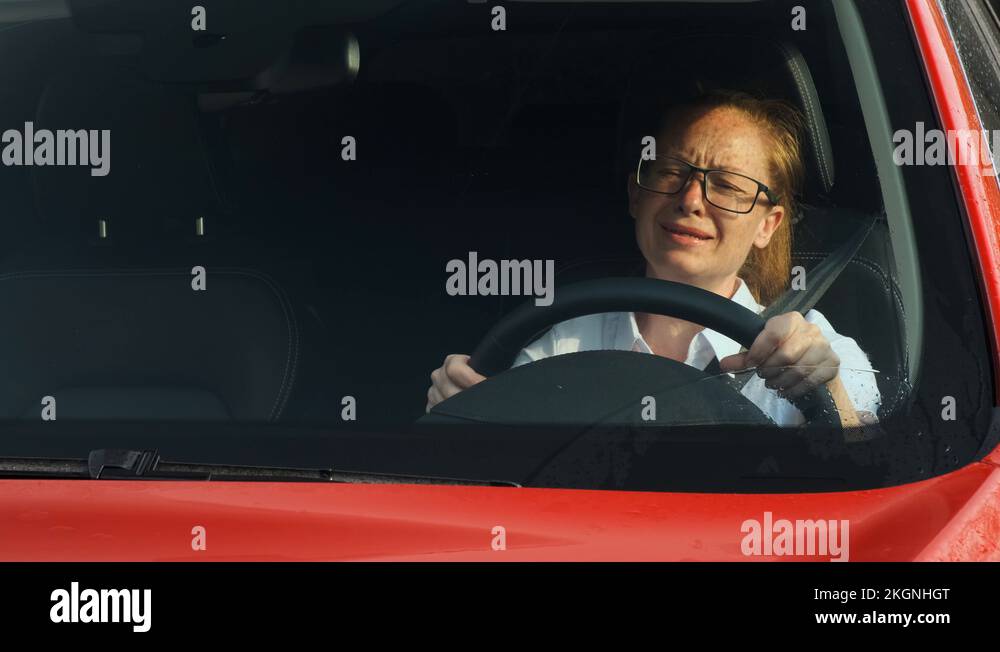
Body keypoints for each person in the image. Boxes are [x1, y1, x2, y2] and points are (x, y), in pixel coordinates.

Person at [426, 89, 881, 427]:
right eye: (670, 171)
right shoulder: (565, 343)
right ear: (635, 195)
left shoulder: (816, 347)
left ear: (768, 224)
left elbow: (870, 469)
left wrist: (826, 388)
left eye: (726, 185)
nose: (691, 199)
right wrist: (464, 414)